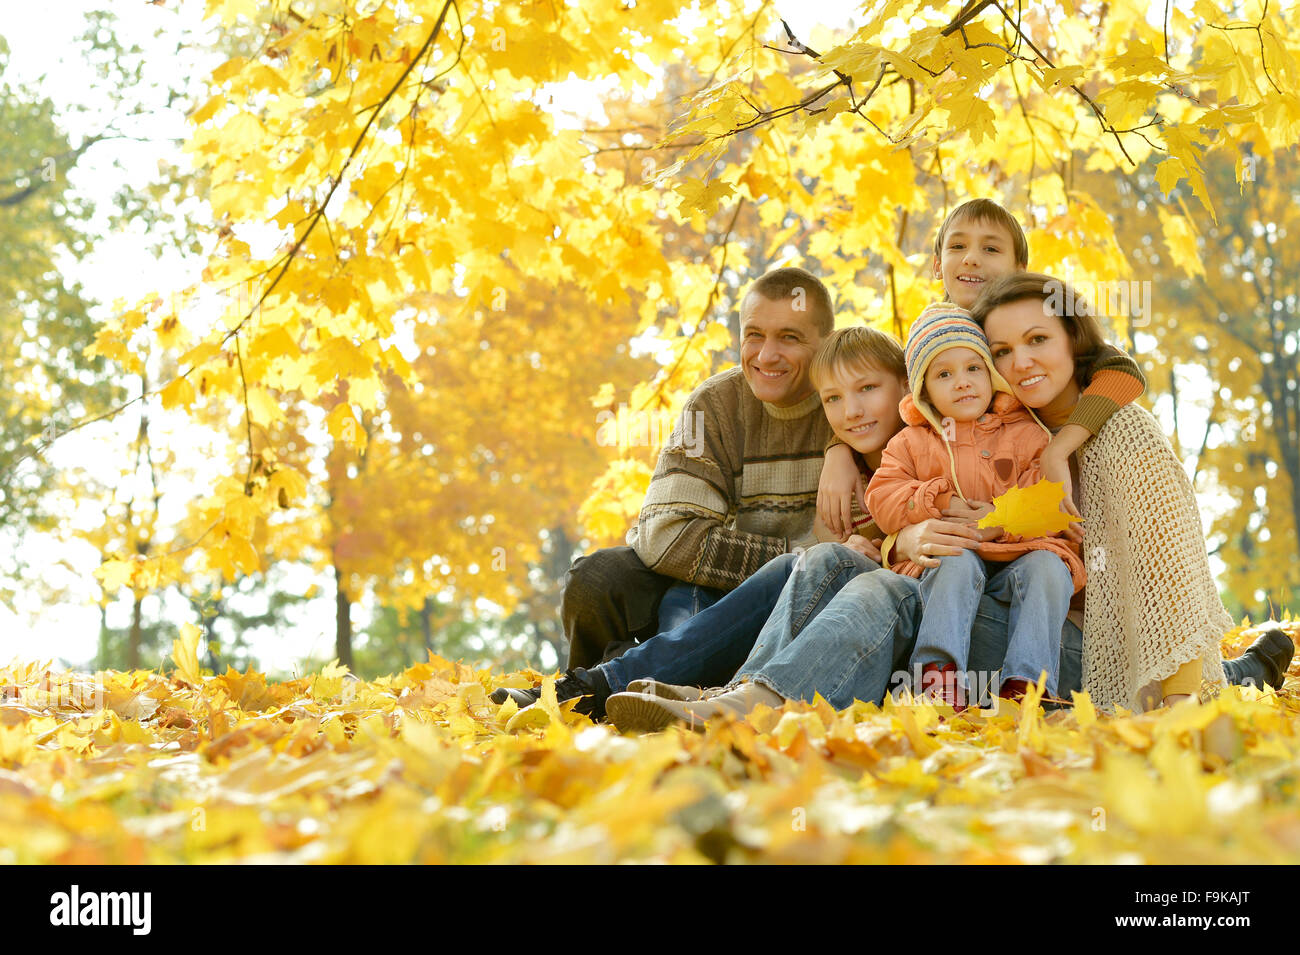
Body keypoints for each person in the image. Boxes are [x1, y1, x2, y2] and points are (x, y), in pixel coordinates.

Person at [607, 271, 1292, 729]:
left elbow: (1169, 597)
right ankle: (742, 694)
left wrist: (1186, 699)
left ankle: (751, 709)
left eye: (1037, 342)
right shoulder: (998, 417)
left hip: (1066, 649)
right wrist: (889, 519)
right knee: (822, 565)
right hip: (979, 604)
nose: (1019, 362)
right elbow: (908, 471)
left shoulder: (1114, 434)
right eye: (1003, 350)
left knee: (886, 596)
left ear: (1071, 342)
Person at [494, 325, 909, 719]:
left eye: (867, 390)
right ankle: (619, 685)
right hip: (767, 593)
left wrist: (888, 544)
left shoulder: (931, 450)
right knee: (624, 580)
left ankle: (602, 684)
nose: (850, 410)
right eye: (832, 399)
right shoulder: (834, 462)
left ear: (907, 389)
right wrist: (838, 454)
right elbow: (667, 536)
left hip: (878, 607)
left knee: (796, 566)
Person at [818, 199, 1146, 543]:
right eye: (957, 246)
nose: (971, 258)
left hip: (1025, 514)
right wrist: (839, 449)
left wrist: (1058, 448)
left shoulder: (1028, 324)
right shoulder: (928, 348)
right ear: (937, 264)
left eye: (990, 248)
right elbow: (880, 401)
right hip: (950, 520)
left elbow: (1121, 369)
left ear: (1020, 269)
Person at [865, 304, 1084, 710]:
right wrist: (939, 499)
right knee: (955, 557)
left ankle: (1027, 684)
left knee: (1050, 567)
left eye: (973, 368)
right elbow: (883, 497)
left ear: (990, 374)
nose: (962, 383)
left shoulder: (1025, 433)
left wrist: (998, 520)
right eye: (944, 374)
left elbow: (1045, 500)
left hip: (1016, 552)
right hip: (955, 555)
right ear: (924, 389)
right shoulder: (911, 442)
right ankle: (938, 678)